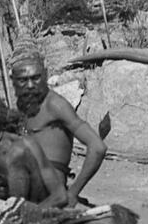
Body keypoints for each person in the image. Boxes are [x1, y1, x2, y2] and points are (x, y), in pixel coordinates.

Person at [10, 50, 108, 204]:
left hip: (46, 187)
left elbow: (98, 147)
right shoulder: (24, 105)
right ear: (13, 80)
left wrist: (73, 192)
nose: (30, 85)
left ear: (46, 74)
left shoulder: (56, 106)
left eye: (36, 78)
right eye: (23, 80)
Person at [0, 87, 70, 216]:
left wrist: (28, 216)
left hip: (35, 215)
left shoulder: (25, 148)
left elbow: (59, 196)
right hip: (3, 218)